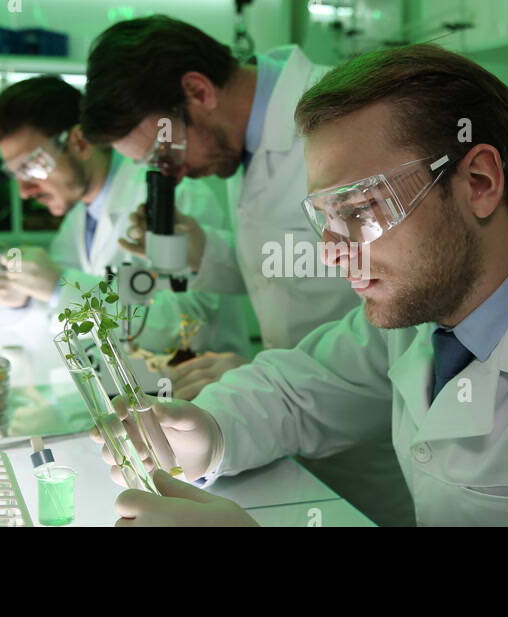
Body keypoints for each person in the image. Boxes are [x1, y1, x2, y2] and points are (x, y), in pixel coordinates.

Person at [95, 44, 508, 526]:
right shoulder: (425, 312)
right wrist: (207, 429)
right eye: (324, 219)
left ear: (479, 182)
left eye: (359, 211)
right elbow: (301, 386)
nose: (332, 254)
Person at [81, 16, 415, 526]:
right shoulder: (243, 142)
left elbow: (410, 307)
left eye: (161, 154)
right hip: (289, 418)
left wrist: (261, 388)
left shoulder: (344, 120)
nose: (168, 174)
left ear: (197, 90)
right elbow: (280, 272)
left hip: (377, 437)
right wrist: (198, 249)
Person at [0, 75, 250, 357]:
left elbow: (186, 326)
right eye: (15, 174)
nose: (24, 191)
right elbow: (54, 321)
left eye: (32, 167)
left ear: (79, 142)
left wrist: (60, 288)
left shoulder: (173, 195)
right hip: (128, 388)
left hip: (196, 391)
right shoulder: (79, 220)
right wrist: (19, 298)